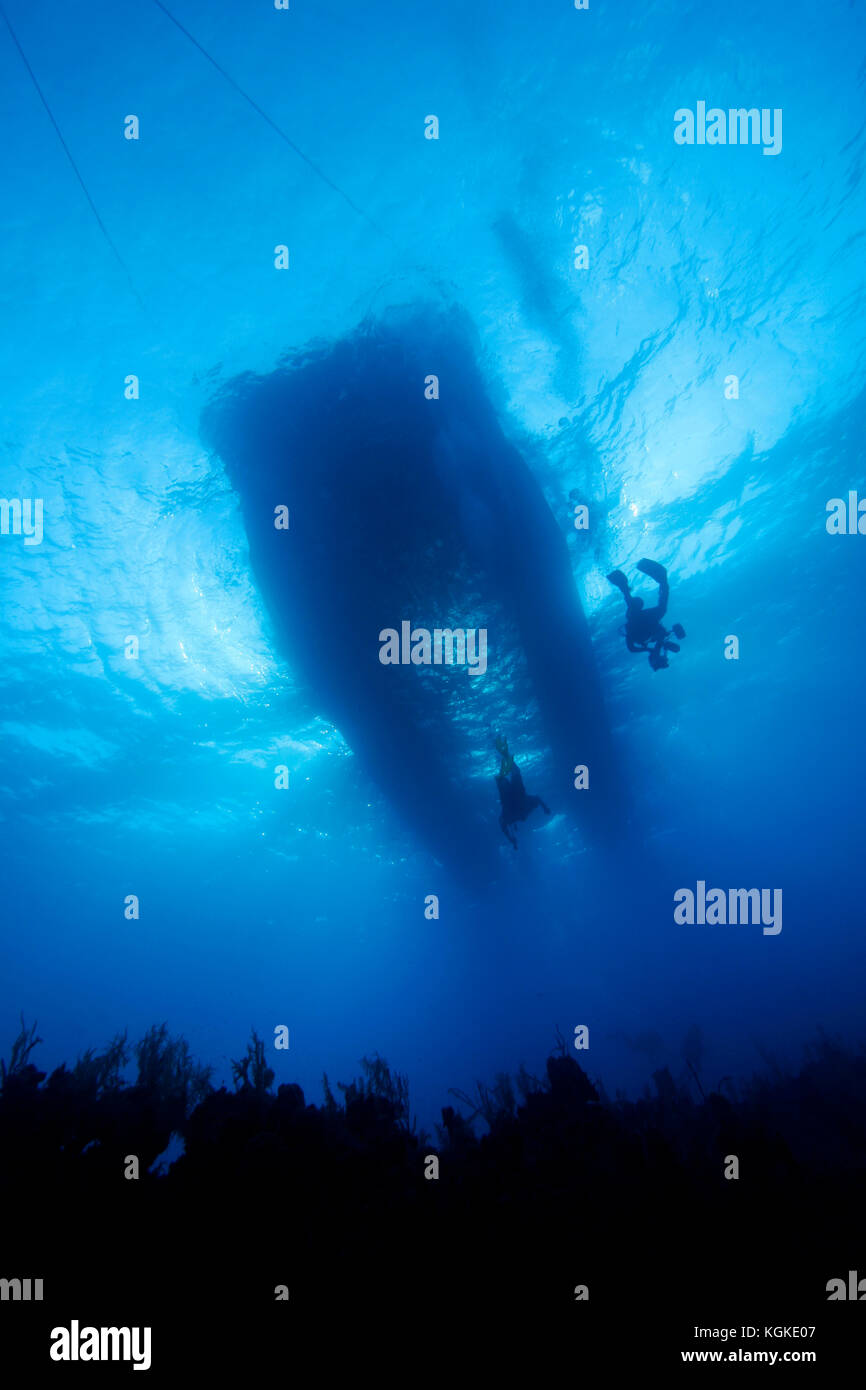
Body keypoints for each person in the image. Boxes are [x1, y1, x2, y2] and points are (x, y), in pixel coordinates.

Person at [607, 558, 686, 671]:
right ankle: (661, 582)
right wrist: (656, 648)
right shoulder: (652, 644)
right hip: (646, 622)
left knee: (638, 608)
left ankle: (625, 586)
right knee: (653, 608)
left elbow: (632, 648)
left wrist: (649, 650)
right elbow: (637, 647)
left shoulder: (642, 642)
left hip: (640, 624)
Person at [494, 737, 550, 849]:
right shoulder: (517, 814)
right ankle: (502, 756)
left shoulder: (519, 813)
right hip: (516, 794)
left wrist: (512, 841)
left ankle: (501, 756)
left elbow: (503, 826)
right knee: (507, 777)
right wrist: (545, 808)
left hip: (513, 796)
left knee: (508, 776)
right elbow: (503, 826)